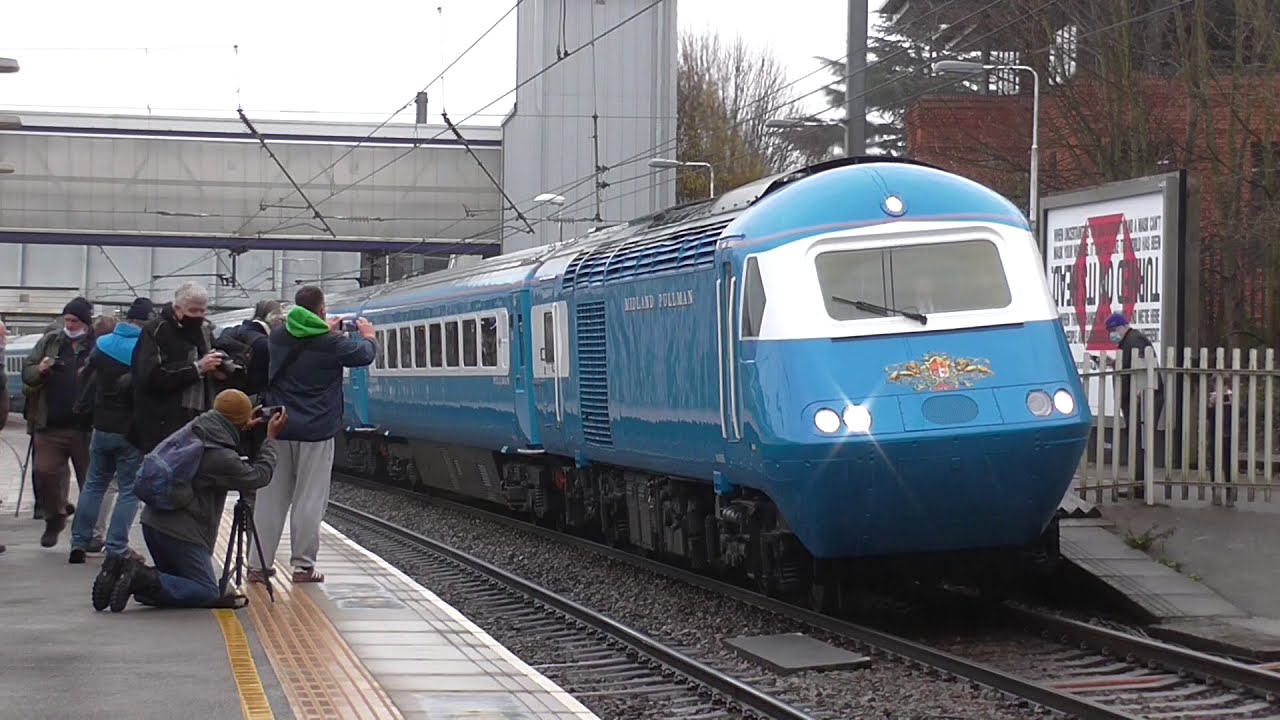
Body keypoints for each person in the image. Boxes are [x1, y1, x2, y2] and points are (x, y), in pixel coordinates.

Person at [107, 390, 286, 611]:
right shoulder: (220, 456)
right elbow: (258, 476)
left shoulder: (196, 429)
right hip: (181, 535)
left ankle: (121, 573)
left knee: (175, 584)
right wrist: (271, 440)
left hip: (153, 523)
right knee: (206, 590)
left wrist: (241, 425)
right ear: (237, 420)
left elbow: (223, 438)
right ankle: (139, 577)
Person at [248, 286, 376, 584]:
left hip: (278, 426)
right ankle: (303, 567)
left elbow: (302, 337)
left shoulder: (277, 336)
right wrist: (368, 334)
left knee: (270, 498)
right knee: (309, 498)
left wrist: (323, 330)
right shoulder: (332, 343)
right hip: (317, 430)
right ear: (321, 311)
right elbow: (364, 355)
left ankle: (257, 565)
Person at [69, 298, 154, 571]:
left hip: (100, 426)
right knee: (129, 489)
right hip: (130, 430)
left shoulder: (102, 344)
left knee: (94, 484)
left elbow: (87, 379)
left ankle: (79, 543)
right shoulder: (144, 349)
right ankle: (117, 548)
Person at [22, 297, 95, 546]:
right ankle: (55, 517)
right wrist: (39, 370)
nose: (70, 324)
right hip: (50, 424)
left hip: (86, 428)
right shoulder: (50, 342)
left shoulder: (96, 345)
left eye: (74, 320)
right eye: (67, 320)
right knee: (44, 473)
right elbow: (28, 373)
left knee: (91, 482)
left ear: (85, 322)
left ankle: (87, 533)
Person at [131, 282, 223, 454]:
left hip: (199, 419)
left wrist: (217, 370)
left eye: (203, 311)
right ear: (178, 308)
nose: (199, 316)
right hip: (162, 423)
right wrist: (197, 369)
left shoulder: (205, 331)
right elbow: (151, 376)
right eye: (193, 311)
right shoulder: (157, 330)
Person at [1104, 313, 1164, 497]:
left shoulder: (1134, 340)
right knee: (1137, 440)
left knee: (1139, 441)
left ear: (1122, 327)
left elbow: (1144, 366)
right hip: (1138, 399)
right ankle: (1137, 484)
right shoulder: (1129, 342)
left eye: (1113, 330)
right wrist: (1115, 364)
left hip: (1142, 399)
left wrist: (1140, 389)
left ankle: (1139, 486)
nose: (1111, 335)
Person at [216, 299, 284, 399]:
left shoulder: (235, 331)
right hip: (255, 397)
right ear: (275, 319)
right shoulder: (263, 343)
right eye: (282, 320)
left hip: (231, 395)